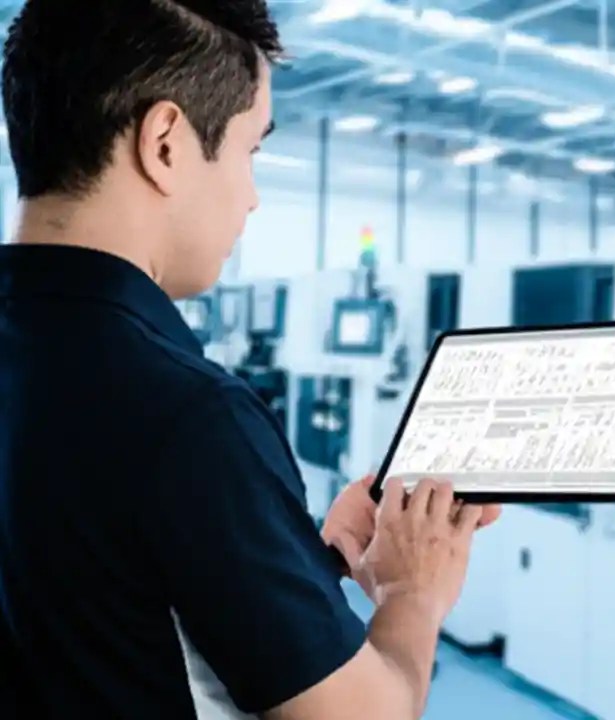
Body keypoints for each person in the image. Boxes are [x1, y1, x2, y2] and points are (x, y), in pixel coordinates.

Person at [0, 1, 499, 718]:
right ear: (166, 141)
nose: (253, 197)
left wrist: (303, 556)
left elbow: (104, 589)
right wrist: (413, 596)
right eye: (250, 150)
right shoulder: (188, 415)